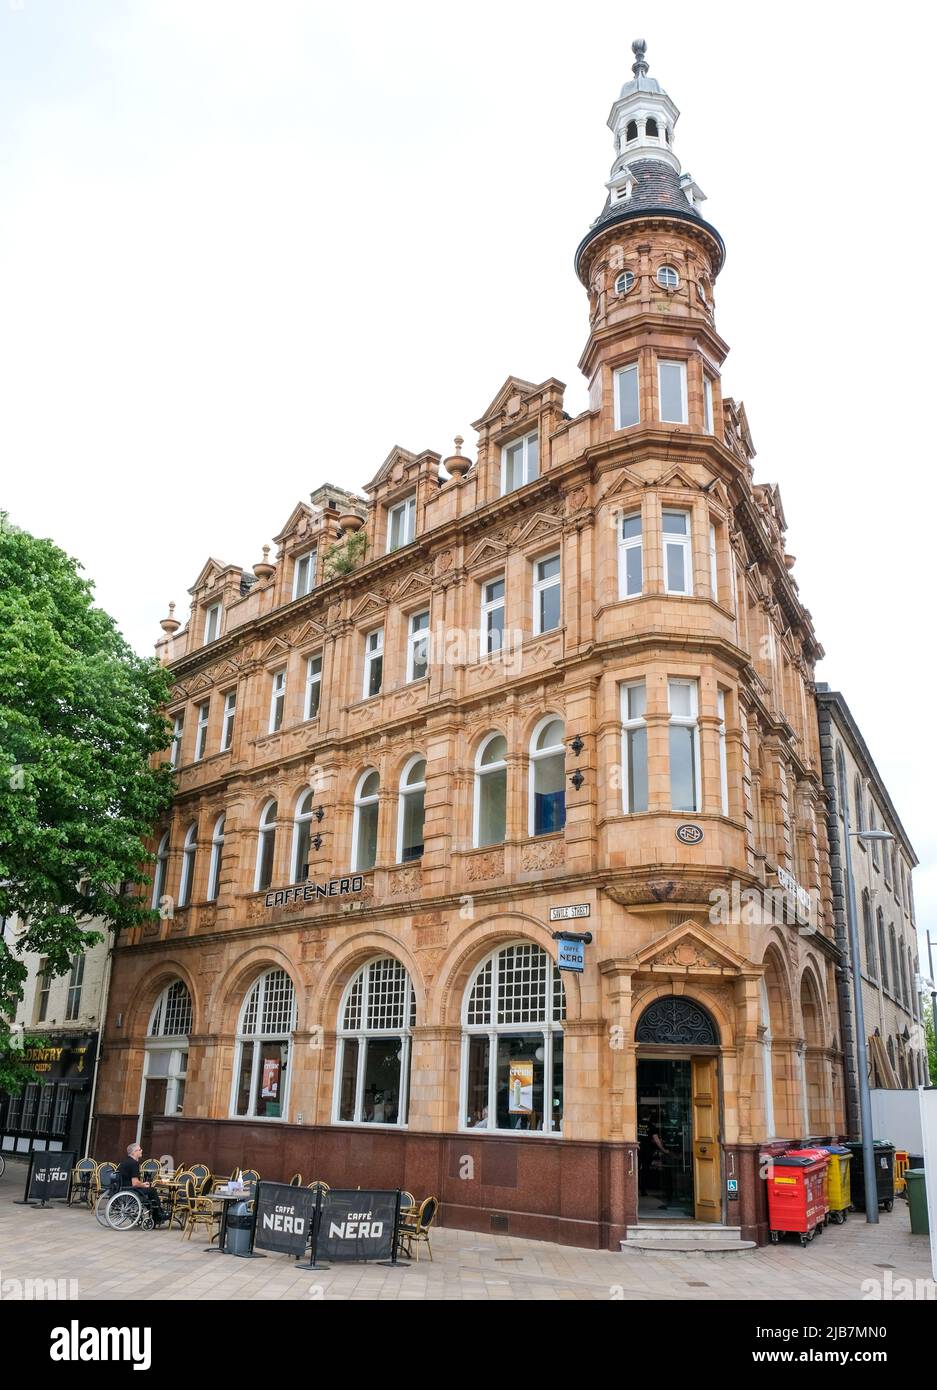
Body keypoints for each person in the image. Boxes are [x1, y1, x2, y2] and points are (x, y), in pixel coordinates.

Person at [115, 1143, 166, 1226]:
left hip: (122, 1189)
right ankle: (158, 1215)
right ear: (134, 1153)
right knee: (152, 1190)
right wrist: (143, 1185)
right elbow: (135, 1183)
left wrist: (142, 1184)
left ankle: (157, 1215)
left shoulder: (124, 1162)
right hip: (130, 1190)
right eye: (139, 1149)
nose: (141, 1150)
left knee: (148, 1190)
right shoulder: (134, 1163)